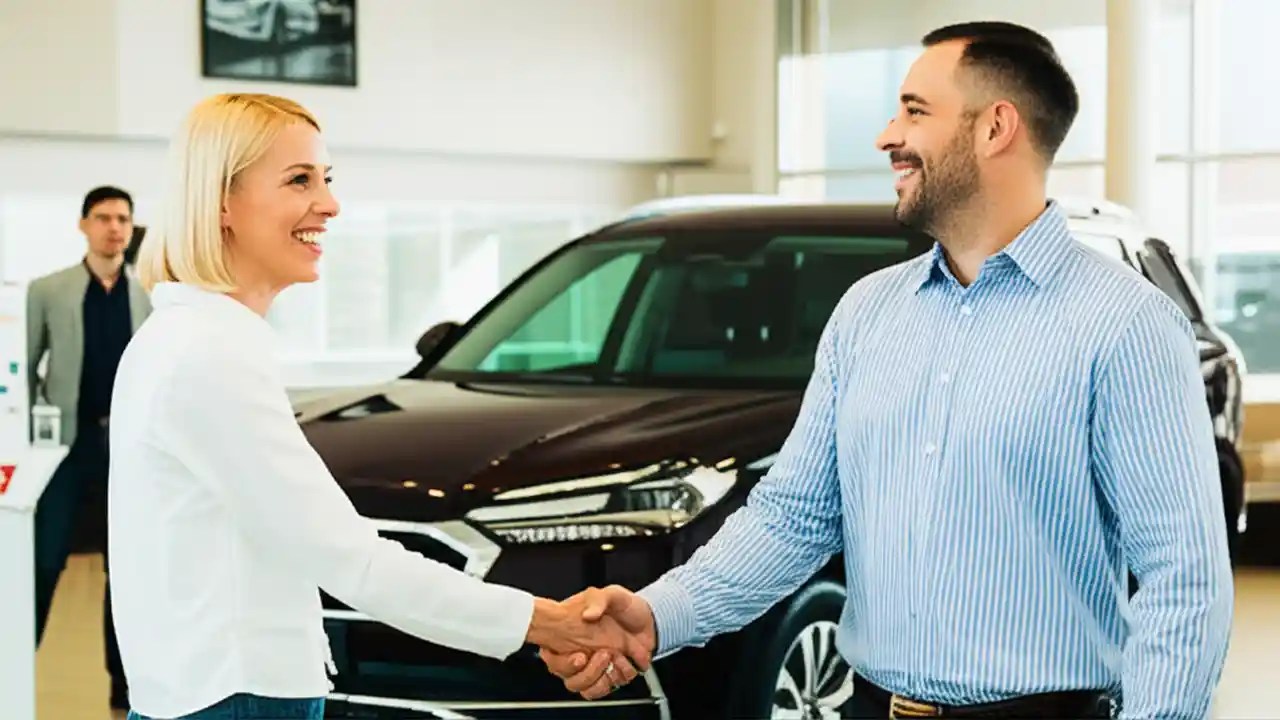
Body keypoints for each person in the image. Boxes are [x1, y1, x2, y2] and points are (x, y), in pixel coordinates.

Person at [541, 21, 1233, 719]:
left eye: (914, 110)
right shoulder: (867, 314)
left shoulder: (1126, 325)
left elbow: (1184, 583)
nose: (885, 136)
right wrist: (658, 615)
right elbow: (792, 519)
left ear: (996, 128)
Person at [108, 93, 649, 720]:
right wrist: (547, 622)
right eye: (299, 180)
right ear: (222, 202)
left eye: (327, 180)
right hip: (235, 701)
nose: (330, 204)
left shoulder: (183, 339)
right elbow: (352, 560)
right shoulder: (208, 356)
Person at [27, 185, 152, 709]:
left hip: (129, 451)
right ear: (83, 225)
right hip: (67, 451)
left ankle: (124, 684)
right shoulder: (48, 290)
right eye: (103, 218)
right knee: (43, 561)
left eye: (123, 218)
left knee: (125, 569)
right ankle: (13, 659)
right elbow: (25, 367)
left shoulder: (148, 292)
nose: (114, 227)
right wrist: (39, 428)